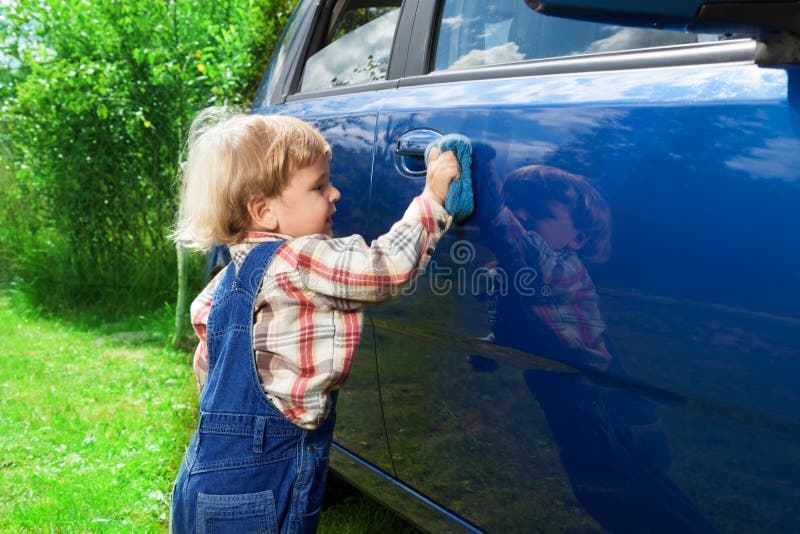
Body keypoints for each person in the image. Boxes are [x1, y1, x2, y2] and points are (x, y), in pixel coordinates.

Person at [169, 108, 460, 534]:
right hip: (261, 487)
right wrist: (432, 199)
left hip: (201, 478)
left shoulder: (221, 286)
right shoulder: (299, 257)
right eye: (319, 186)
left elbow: (210, 374)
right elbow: (384, 268)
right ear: (264, 211)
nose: (335, 193)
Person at [476, 163, 715, 533]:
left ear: (578, 240)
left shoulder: (563, 268)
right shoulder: (516, 272)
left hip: (610, 413)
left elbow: (519, 243)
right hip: (574, 409)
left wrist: (491, 202)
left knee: (650, 511)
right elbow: (526, 331)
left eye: (538, 212)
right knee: (607, 500)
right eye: (515, 203)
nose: (522, 214)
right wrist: (492, 349)